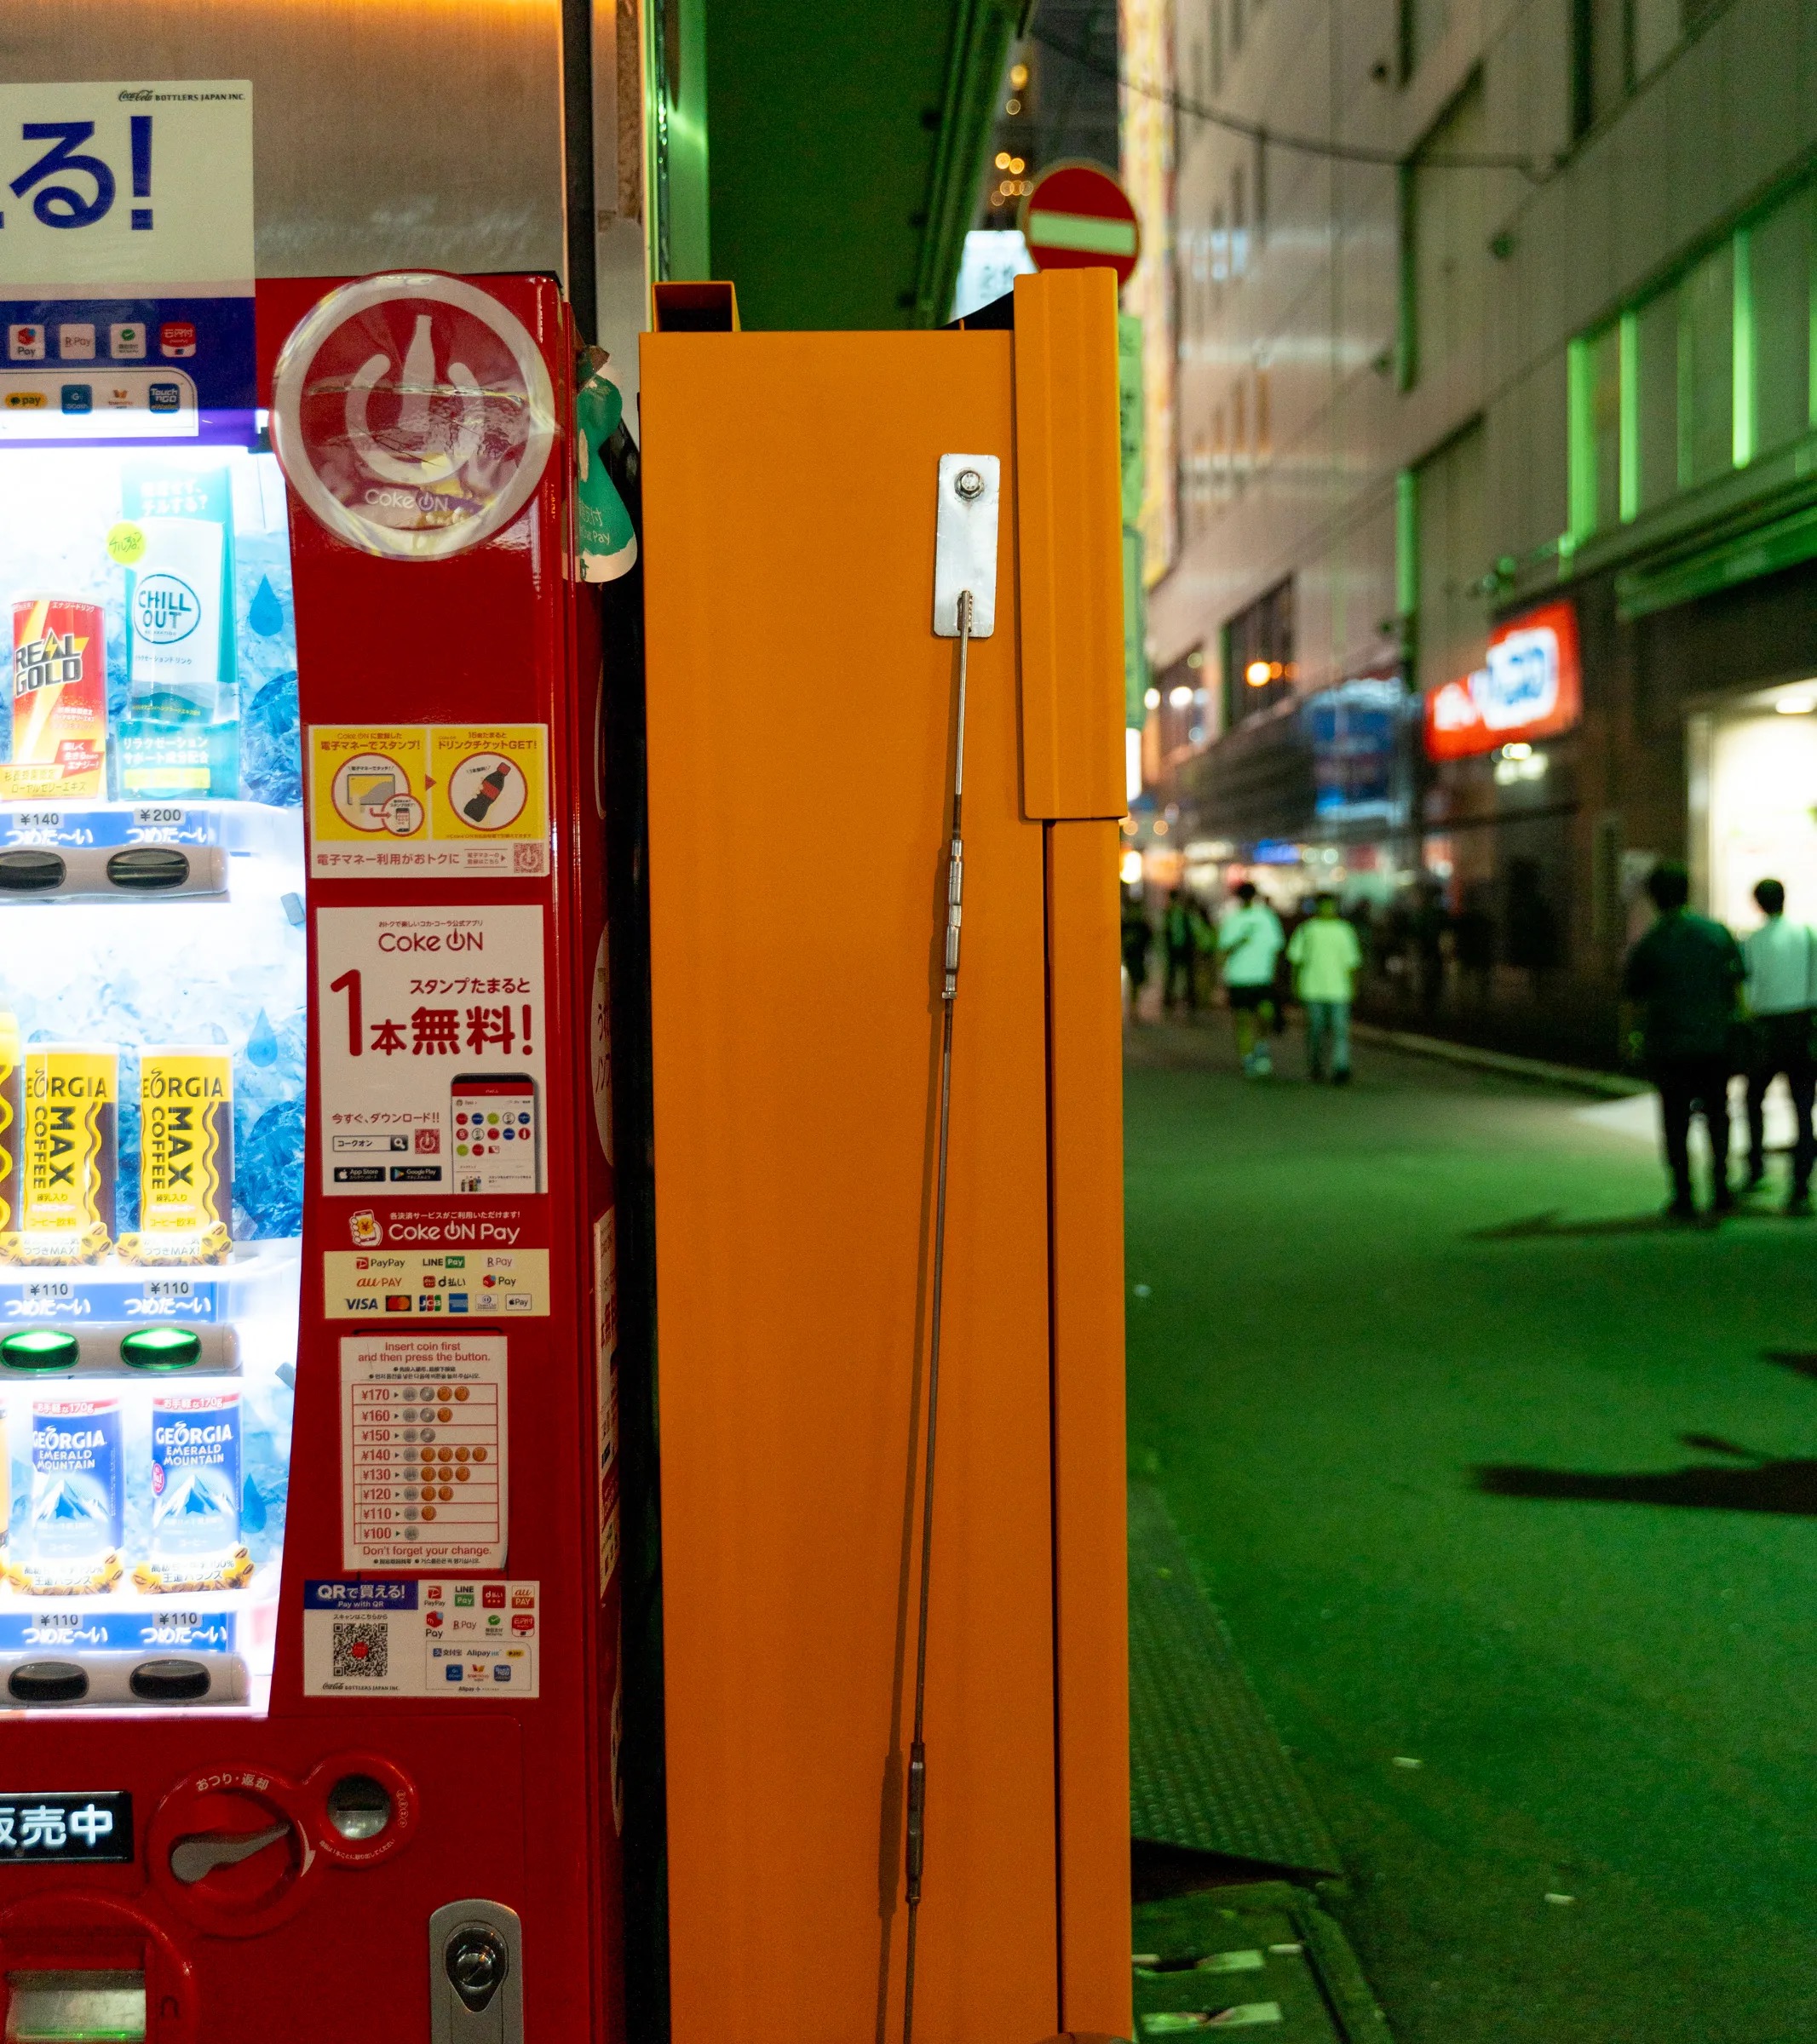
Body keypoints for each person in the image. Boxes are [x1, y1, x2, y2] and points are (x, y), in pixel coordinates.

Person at [1620, 860, 1745, 1221]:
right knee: (1718, 1118)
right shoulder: (1717, 933)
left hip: (1670, 1045)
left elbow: (1633, 1000)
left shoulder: (1650, 943)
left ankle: (1684, 1195)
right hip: (1713, 1043)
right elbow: (1736, 987)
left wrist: (1630, 1039)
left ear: (1655, 899)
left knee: (1675, 1123)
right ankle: (1721, 1190)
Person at [1740, 876, 1817, 1214]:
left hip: (1765, 1029)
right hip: (1802, 1024)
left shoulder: (1751, 941)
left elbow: (1748, 990)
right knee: (1802, 1107)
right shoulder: (1807, 934)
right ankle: (1800, 1183)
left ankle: (1756, 1167)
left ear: (1758, 904)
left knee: (1753, 1098)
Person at [1287, 892, 1363, 1083]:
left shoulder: (1345, 931)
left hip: (1339, 990)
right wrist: (1295, 984)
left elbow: (1352, 963)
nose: (1328, 909)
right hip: (1312, 988)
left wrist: (1354, 986)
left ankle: (1341, 1067)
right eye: (1324, 905)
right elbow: (1296, 960)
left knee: (1340, 1030)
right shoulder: (1307, 930)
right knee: (1315, 1030)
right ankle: (1316, 1065)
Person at [1217, 881, 1285, 1076]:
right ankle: (1247, 1059)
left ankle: (1261, 1047)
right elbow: (1223, 950)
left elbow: (1277, 947)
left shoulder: (1267, 918)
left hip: (1262, 977)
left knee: (1265, 1014)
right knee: (1243, 1019)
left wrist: (1275, 973)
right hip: (1239, 978)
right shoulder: (1232, 919)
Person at [1162, 887, 1198, 1016]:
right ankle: (1169, 998)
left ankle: (1190, 998)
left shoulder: (1184, 912)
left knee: (1187, 974)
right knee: (1172, 974)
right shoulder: (1170, 912)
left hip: (1185, 947)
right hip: (1174, 947)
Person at [1120, 891, 1154, 1022]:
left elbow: (1149, 938)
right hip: (1132, 957)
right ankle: (1133, 1008)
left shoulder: (1139, 924)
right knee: (1134, 982)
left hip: (1138, 957)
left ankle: (1134, 1007)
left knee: (1137, 982)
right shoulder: (1129, 924)